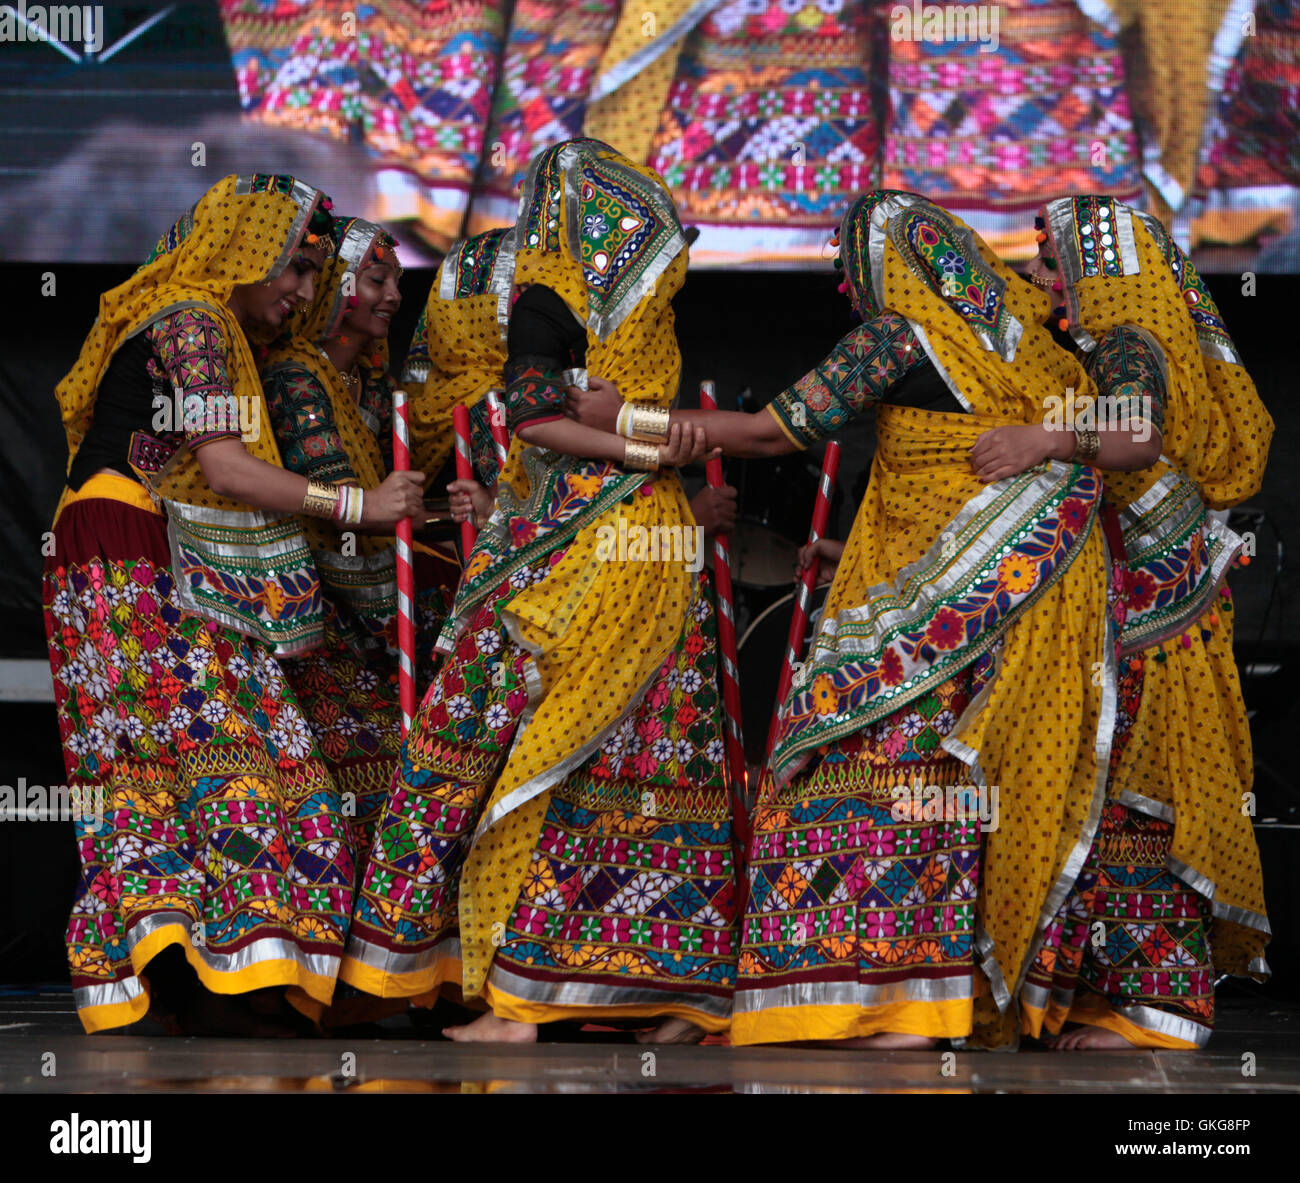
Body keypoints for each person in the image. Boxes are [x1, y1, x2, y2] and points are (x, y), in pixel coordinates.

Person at [567, 189, 1165, 1049]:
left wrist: (624, 419)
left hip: (925, 620)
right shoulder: (1037, 348)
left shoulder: (897, 336)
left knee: (859, 786)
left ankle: (892, 1006)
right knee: (948, 800)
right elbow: (974, 479)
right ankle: (912, 1005)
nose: (848, 287)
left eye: (851, 265)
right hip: (1019, 612)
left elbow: (773, 433)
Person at [340, 139, 740, 1044]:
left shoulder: (553, 295)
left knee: (515, 758)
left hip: (566, 566)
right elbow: (541, 413)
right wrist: (656, 440)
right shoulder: (630, 315)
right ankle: (667, 995)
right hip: (646, 553)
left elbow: (530, 415)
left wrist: (646, 437)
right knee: (641, 765)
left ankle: (518, 1001)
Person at [45, 173, 425, 1036]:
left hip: (133, 547)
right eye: (292, 267)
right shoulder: (196, 318)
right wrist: (359, 507)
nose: (301, 293)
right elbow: (222, 467)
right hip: (134, 545)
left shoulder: (210, 326)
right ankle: (219, 978)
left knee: (182, 775)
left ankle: (201, 978)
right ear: (246, 252)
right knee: (232, 766)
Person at [1012, 195, 1273, 1049]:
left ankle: (1155, 1010)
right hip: (1138, 616)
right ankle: (1101, 997)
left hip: (1151, 632)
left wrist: (1042, 439)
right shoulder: (1117, 346)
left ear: (1101, 274)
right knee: (1108, 804)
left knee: (1137, 807)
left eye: (1053, 264)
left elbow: (1135, 434)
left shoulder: (1131, 344)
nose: (1038, 278)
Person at [260, 215, 460, 857]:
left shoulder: (367, 383)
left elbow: (388, 510)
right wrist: (435, 611)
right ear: (331, 290)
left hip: (370, 626)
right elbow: (345, 523)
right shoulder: (295, 377)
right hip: (326, 627)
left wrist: (447, 516)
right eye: (376, 279)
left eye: (398, 280)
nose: (394, 297)